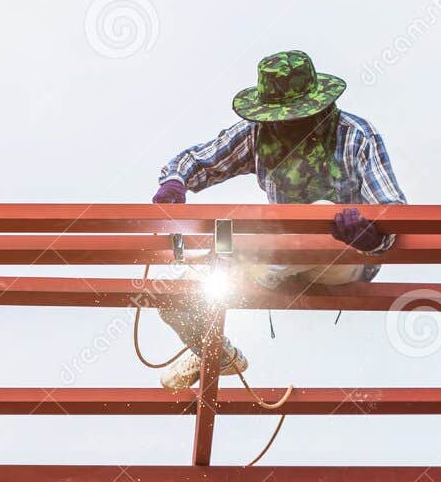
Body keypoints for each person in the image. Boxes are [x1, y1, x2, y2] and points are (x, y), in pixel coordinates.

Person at [150, 49, 407, 390]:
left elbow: (393, 209)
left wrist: (371, 236)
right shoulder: (259, 134)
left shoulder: (356, 136)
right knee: (174, 293)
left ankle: (238, 266)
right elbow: (197, 160)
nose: (287, 125)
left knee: (316, 211)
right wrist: (175, 181)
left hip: (341, 260)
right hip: (274, 257)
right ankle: (213, 349)